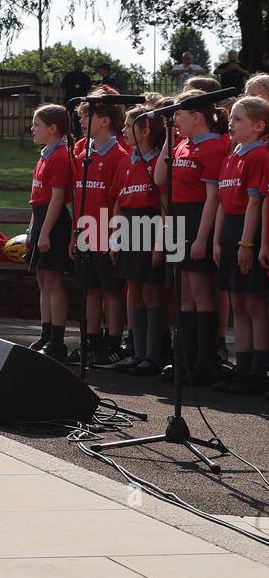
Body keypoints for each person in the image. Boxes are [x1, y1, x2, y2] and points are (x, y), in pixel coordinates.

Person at [154, 93, 226, 385]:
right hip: (178, 218)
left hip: (198, 220)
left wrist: (201, 238)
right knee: (182, 292)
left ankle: (203, 363)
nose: (173, 120)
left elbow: (213, 198)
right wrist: (169, 142)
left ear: (197, 116)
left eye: (178, 114)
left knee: (200, 292)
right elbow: (160, 178)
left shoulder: (213, 147)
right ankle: (184, 359)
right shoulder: (182, 144)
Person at [213, 97, 269, 394]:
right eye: (231, 118)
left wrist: (247, 243)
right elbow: (223, 201)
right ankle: (242, 367)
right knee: (238, 303)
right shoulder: (232, 155)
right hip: (230, 231)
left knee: (255, 304)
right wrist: (217, 239)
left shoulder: (260, 155)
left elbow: (255, 202)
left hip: (249, 231)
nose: (231, 123)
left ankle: (259, 371)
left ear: (259, 126)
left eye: (238, 119)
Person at [72, 91, 129, 366]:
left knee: (112, 291)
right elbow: (78, 196)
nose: (82, 121)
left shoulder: (119, 155)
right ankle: (90, 341)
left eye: (87, 116)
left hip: (106, 233)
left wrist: (115, 238)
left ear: (104, 121)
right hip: (86, 231)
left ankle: (113, 342)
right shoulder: (83, 152)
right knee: (91, 291)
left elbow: (119, 199)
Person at [111, 103, 167, 376]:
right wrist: (115, 236)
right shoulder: (127, 160)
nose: (123, 130)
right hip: (130, 227)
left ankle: (153, 355)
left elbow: (165, 206)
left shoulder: (159, 162)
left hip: (153, 227)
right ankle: (137, 351)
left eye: (128, 125)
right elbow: (120, 202)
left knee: (151, 291)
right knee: (133, 289)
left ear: (144, 130)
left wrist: (159, 244)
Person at [26, 105, 73, 361]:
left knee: (53, 281)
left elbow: (57, 199)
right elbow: (36, 200)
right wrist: (32, 230)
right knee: (42, 280)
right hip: (41, 219)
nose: (32, 129)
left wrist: (45, 233)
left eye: (37, 125)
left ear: (53, 128)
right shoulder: (45, 155)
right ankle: (45, 333)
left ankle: (57, 340)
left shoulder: (61, 156)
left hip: (54, 223)